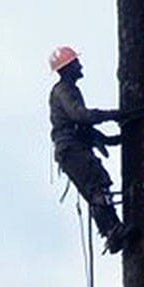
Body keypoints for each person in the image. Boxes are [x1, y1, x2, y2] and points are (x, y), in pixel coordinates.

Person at [48, 46, 133, 254]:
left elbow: (85, 128)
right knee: (96, 184)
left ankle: (113, 230)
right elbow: (80, 116)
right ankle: (112, 229)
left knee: (97, 183)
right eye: (76, 62)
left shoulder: (68, 90)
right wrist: (113, 115)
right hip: (71, 149)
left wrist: (116, 138)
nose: (80, 65)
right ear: (67, 68)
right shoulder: (64, 90)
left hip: (72, 148)